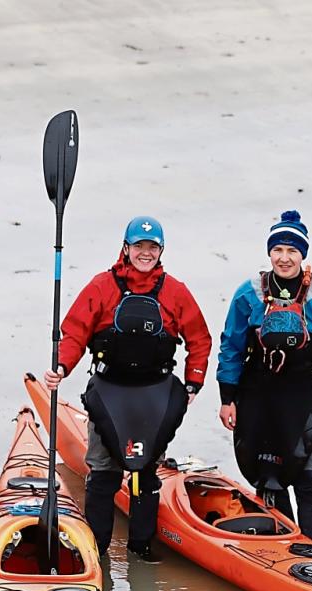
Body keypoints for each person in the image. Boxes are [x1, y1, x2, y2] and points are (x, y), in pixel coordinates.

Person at [44, 216, 211, 561]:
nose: (145, 253)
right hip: (110, 392)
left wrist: (194, 382)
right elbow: (74, 331)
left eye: (152, 248)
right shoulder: (102, 286)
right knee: (104, 472)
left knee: (146, 474)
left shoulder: (175, 291)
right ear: (126, 248)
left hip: (154, 393)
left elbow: (199, 339)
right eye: (139, 247)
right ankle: (96, 551)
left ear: (161, 251)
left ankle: (141, 547)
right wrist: (61, 366)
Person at [216, 210, 312, 548]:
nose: (284, 258)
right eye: (278, 250)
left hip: (302, 401)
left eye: (292, 251)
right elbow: (231, 347)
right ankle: (280, 554)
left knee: (309, 478)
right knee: (270, 480)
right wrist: (227, 398)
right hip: (256, 401)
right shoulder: (249, 293)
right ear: (270, 253)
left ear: (303, 255)